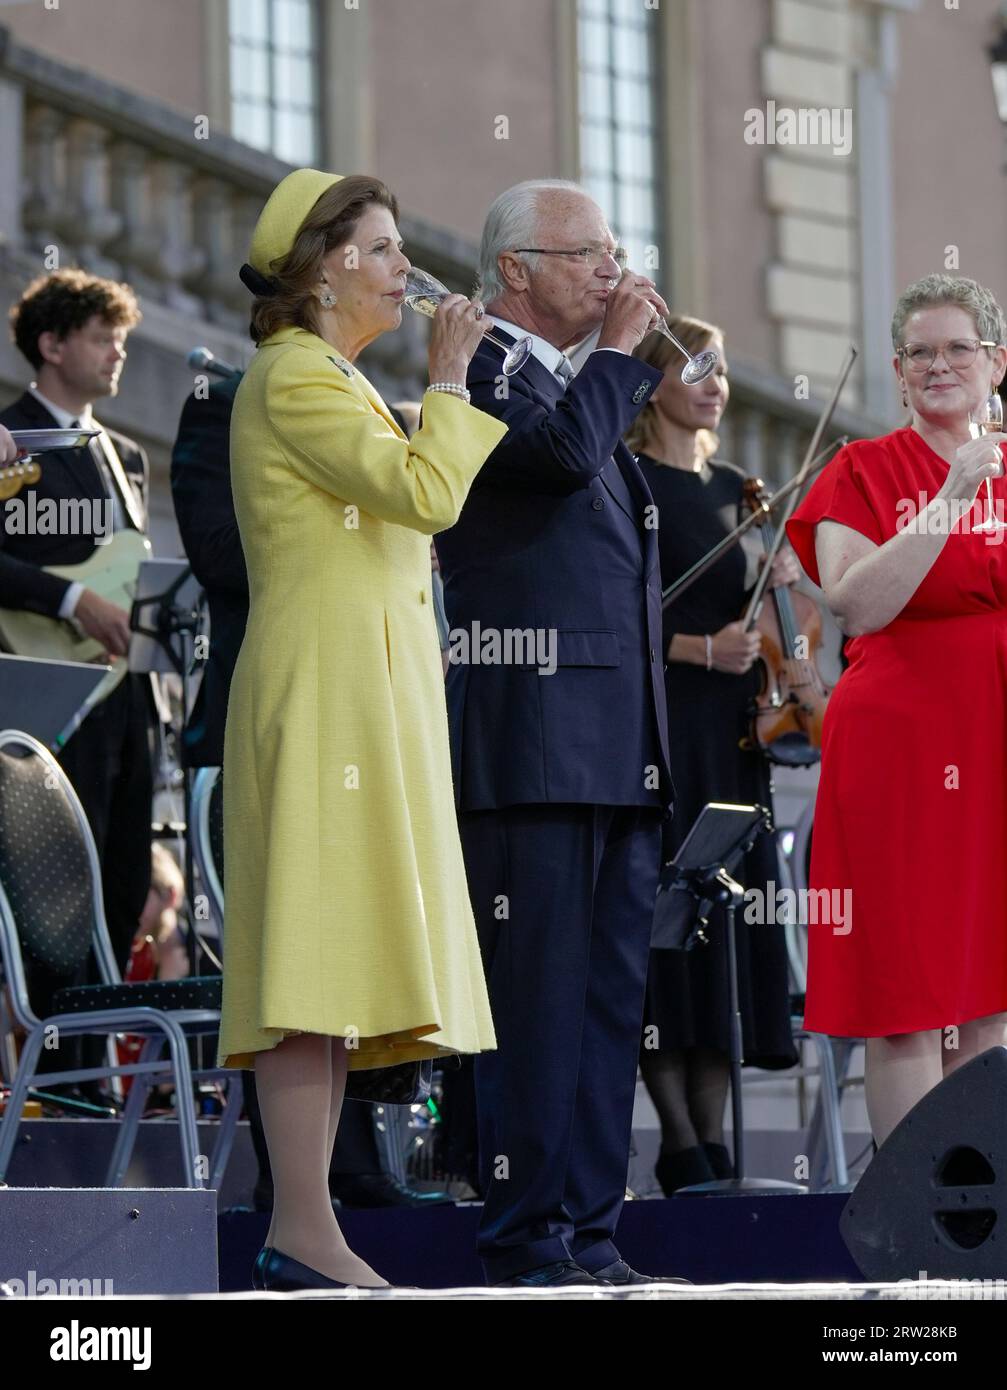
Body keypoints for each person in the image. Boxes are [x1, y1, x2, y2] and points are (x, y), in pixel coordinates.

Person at [217, 168, 507, 1291]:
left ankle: (308, 1223)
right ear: (326, 265)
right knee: (306, 967)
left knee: (331, 968)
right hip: (320, 694)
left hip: (362, 693)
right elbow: (424, 495)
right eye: (382, 249)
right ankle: (300, 1224)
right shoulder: (296, 376)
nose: (404, 269)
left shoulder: (329, 376)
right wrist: (447, 379)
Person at [436, 179, 681, 1287]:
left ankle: (589, 1228)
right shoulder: (480, 366)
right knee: (533, 999)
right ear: (515, 270)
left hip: (613, 738)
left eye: (613, 252)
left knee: (602, 1003)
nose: (611, 271)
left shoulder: (576, 384)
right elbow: (554, 462)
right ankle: (524, 1233)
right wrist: (621, 353)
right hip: (530, 729)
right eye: (586, 253)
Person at [170, 376, 448, 1211]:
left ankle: (357, 1167)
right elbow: (223, 550)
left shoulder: (372, 412)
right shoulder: (226, 396)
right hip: (281, 701)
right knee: (298, 948)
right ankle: (303, 1194)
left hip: (373, 703)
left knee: (363, 937)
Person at [785, 273, 1007, 1145]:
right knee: (909, 995)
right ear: (897, 369)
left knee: (987, 988)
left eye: (958, 348)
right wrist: (952, 496)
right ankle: (917, 1222)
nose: (938, 365)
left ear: (996, 363)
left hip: (992, 742)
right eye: (919, 352)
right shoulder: (861, 468)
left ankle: (976, 1223)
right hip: (903, 749)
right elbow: (856, 604)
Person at [627, 314, 799, 1194]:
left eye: (721, 369)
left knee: (726, 926)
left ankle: (711, 1146)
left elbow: (767, 619)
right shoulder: (627, 481)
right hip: (665, 729)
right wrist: (702, 650)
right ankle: (679, 1139)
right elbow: (615, 613)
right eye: (692, 367)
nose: (713, 383)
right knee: (668, 926)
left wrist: (781, 623)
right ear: (649, 381)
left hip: (735, 738)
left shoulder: (742, 489)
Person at [0, 270, 153, 1099]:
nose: (117, 350)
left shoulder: (126, 453)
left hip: (128, 701)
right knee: (54, 889)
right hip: (53, 697)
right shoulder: (9, 439)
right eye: (100, 336)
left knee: (125, 878)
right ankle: (56, 1077)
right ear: (51, 345)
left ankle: (94, 1071)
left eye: (121, 336)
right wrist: (67, 597)